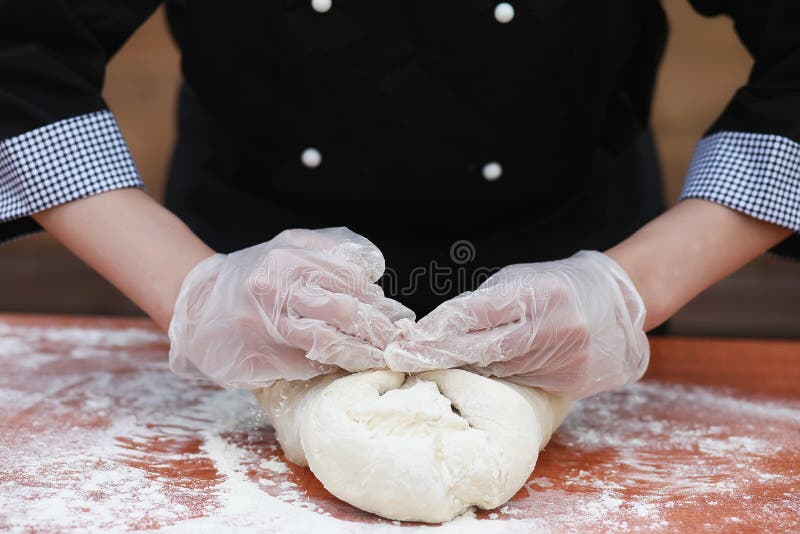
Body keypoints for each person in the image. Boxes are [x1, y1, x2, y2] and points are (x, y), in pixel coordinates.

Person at [1, 2, 797, 400]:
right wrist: (193, 292)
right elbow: (18, 49)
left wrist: (631, 289)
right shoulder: (218, 289)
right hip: (254, 267)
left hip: (574, 260)